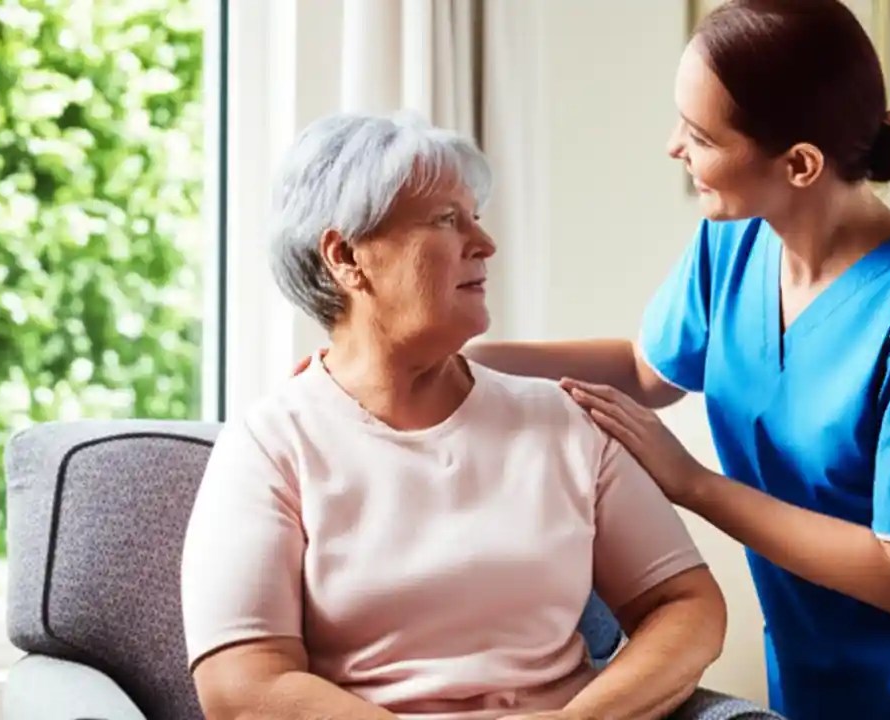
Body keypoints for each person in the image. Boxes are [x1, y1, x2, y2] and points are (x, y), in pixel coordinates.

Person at [464, 1, 890, 717]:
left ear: (800, 163)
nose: (673, 146)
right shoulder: (735, 244)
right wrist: (453, 356)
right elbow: (646, 372)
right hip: (812, 680)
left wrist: (692, 482)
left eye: (700, 134)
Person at [180, 112, 727, 720]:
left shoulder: (560, 421)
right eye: (446, 219)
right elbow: (242, 686)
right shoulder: (270, 444)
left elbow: (688, 605)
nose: (485, 244)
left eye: (476, 217)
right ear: (345, 257)